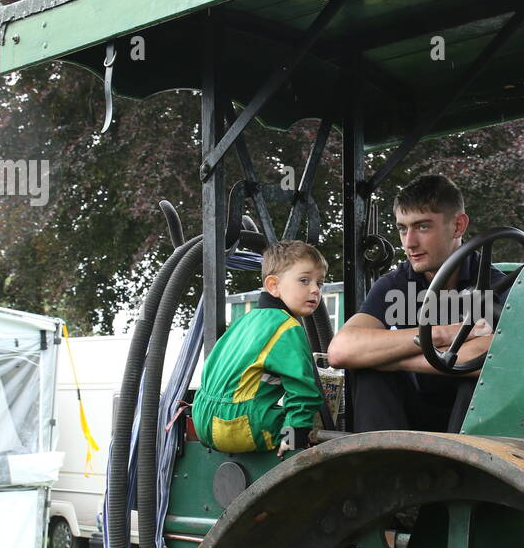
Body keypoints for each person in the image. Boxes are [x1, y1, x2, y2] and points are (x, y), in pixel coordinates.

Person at [327, 174, 497, 433]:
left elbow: (494, 359)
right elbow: (341, 350)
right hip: (406, 422)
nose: (409, 243)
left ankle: (461, 468)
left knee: (476, 381)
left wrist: (390, 358)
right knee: (370, 374)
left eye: (423, 227)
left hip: (476, 429)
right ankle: (387, 465)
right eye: (403, 228)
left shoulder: (494, 284)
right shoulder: (393, 285)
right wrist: (443, 334)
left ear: (458, 226)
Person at [191, 240, 327, 456]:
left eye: (319, 283)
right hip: (236, 425)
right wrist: (295, 436)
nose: (314, 290)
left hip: (201, 417)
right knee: (312, 420)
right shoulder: (287, 327)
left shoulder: (245, 321)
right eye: (304, 280)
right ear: (273, 285)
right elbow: (302, 389)